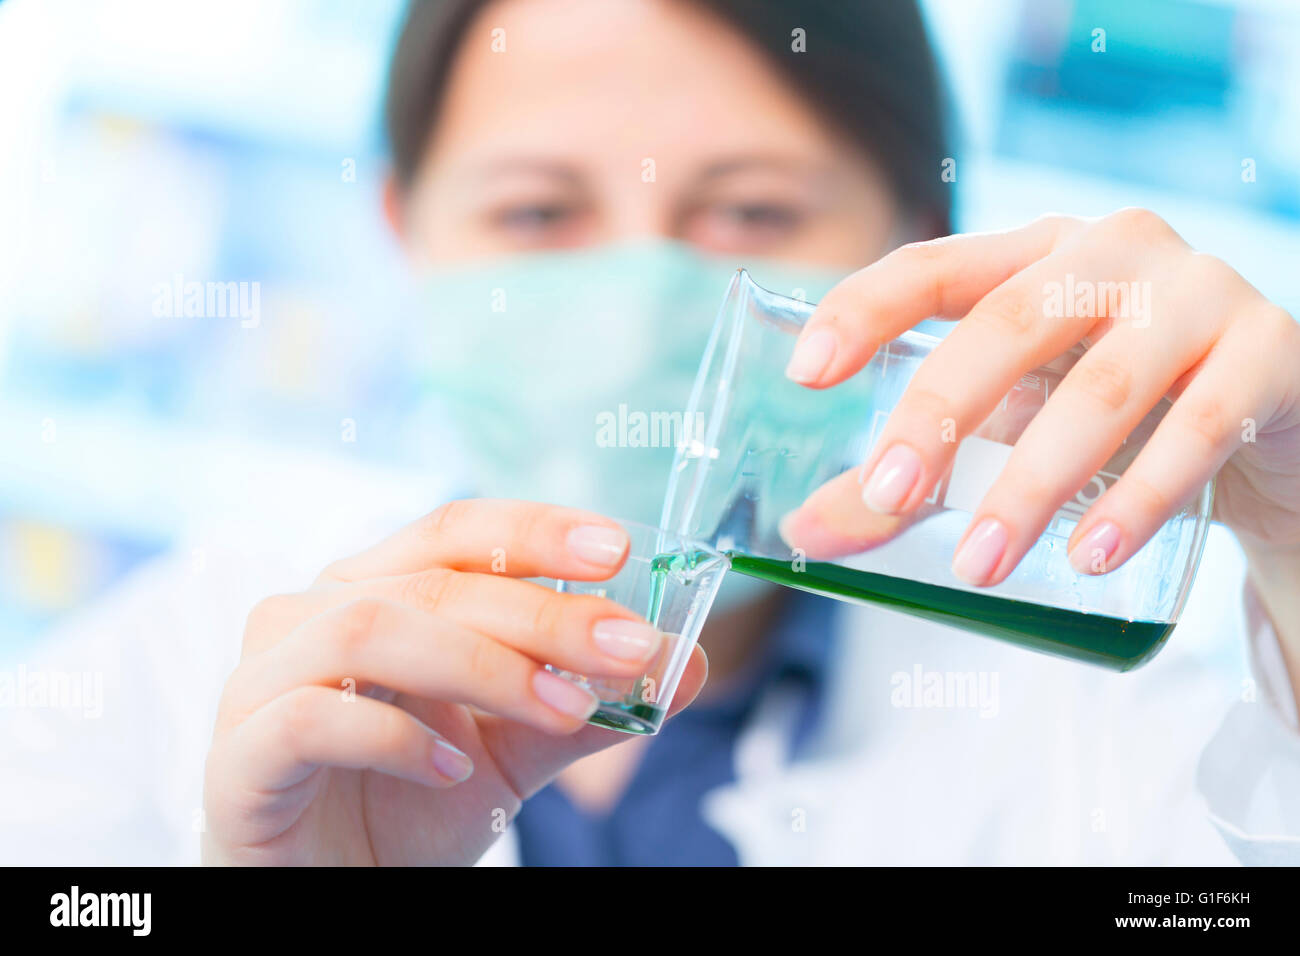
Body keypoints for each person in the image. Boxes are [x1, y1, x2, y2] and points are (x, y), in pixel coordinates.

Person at [12, 0, 1300, 866]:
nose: (638, 315)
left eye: (748, 213)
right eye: (534, 215)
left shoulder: (1095, 740)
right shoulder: (160, 680)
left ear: (916, 244)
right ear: (407, 233)